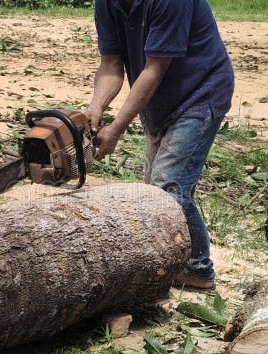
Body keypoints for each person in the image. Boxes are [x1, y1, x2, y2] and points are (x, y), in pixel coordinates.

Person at [85, 0, 234, 290]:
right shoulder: (107, 2)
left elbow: (154, 69)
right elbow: (111, 64)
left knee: (168, 186)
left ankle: (194, 269)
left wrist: (116, 129)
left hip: (200, 93)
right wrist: (95, 110)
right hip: (158, 99)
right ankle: (186, 264)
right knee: (158, 188)